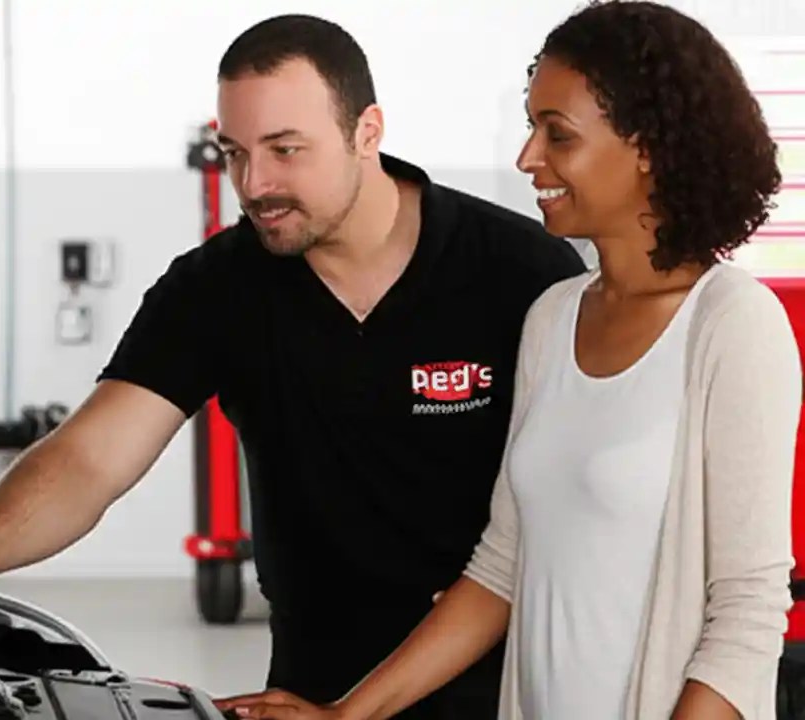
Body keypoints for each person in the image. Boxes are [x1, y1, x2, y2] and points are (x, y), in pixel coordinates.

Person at [0, 13, 586, 717]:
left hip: (506, 687)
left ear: (366, 131)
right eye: (234, 154)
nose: (255, 185)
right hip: (308, 696)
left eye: (286, 151)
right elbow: (90, 460)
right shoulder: (218, 288)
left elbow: (581, 508)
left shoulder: (518, 274)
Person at [214, 2, 799, 719]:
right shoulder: (554, 318)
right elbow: (501, 566)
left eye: (558, 135)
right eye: (531, 127)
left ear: (647, 146)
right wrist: (346, 714)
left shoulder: (732, 325)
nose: (528, 157)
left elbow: (746, 616)